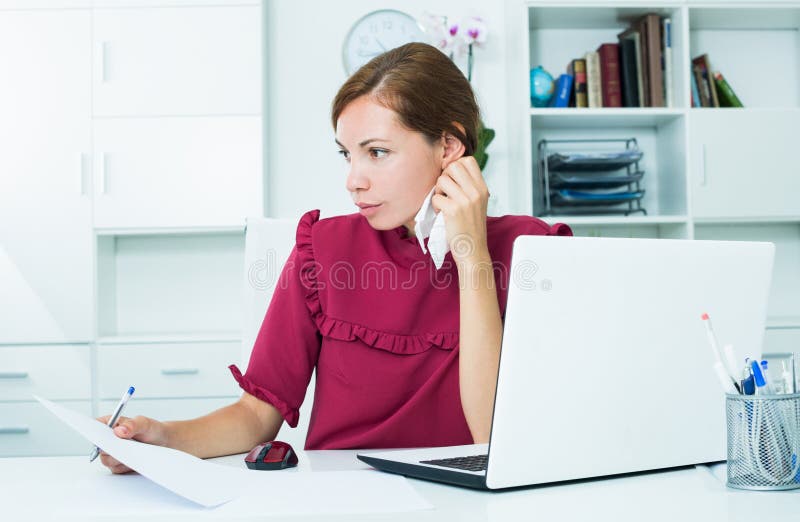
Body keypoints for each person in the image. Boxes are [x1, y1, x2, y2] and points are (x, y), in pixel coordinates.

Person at [97, 42, 571, 474]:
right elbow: (255, 416)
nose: (354, 180)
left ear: (449, 146)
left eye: (377, 152)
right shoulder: (321, 249)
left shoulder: (530, 249)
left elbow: (494, 435)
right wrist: (159, 439)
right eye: (347, 155)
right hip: (338, 498)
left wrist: (470, 256)